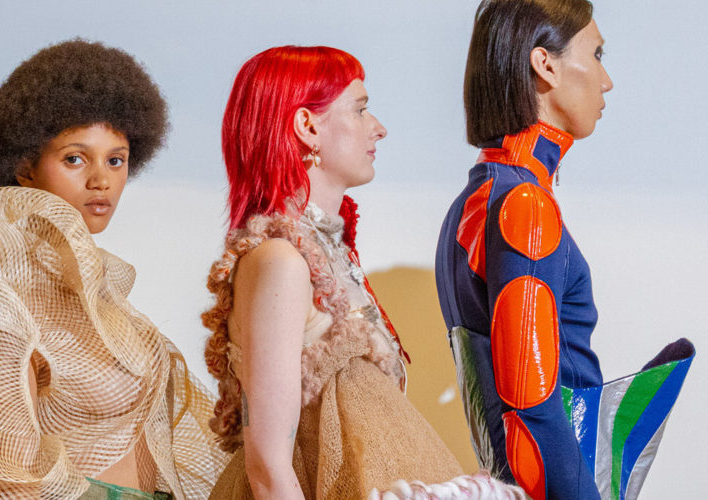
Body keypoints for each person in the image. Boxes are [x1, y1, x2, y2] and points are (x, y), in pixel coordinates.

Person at [0, 40, 227, 499]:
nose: (101, 180)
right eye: (75, 158)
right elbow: (6, 480)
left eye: (116, 160)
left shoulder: (108, 300)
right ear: (25, 168)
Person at [202, 45, 525, 500]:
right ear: (307, 127)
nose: (378, 128)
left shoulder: (319, 254)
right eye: (360, 109)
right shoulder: (280, 260)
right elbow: (268, 464)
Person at [436, 1, 694, 499]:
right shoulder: (524, 205)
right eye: (596, 54)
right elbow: (530, 407)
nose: (606, 81)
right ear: (545, 65)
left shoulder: (476, 199)